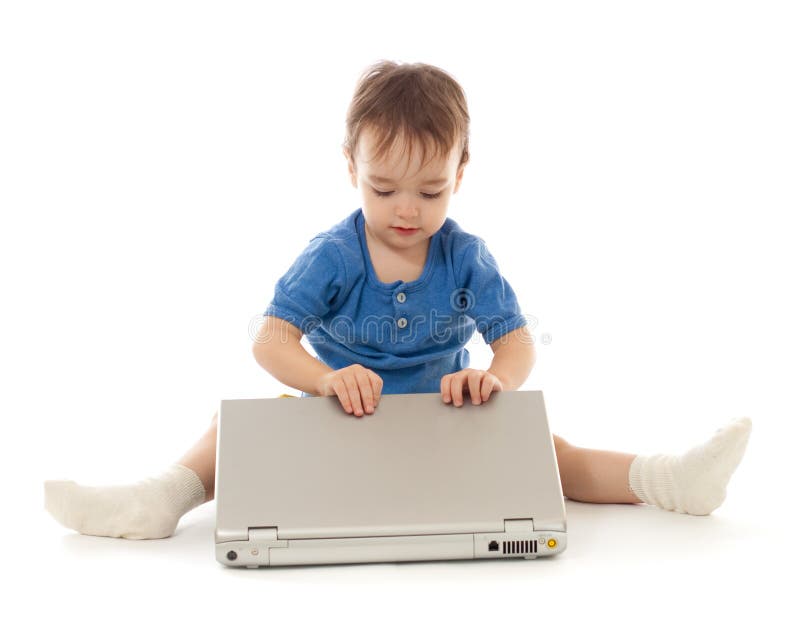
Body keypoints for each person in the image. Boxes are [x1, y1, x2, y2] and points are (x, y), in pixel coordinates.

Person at [43, 60, 752, 540]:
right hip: (338, 422)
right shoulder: (334, 253)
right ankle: (156, 500)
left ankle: (668, 480)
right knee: (230, 432)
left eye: (430, 191)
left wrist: (493, 379)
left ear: (461, 172)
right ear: (351, 167)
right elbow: (270, 338)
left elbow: (516, 340)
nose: (406, 211)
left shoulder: (465, 255)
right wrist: (326, 378)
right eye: (383, 189)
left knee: (547, 449)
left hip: (443, 422)